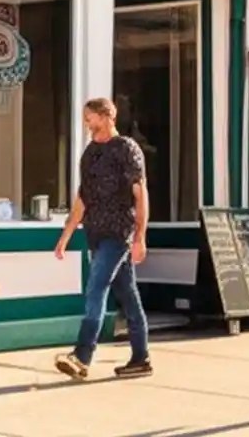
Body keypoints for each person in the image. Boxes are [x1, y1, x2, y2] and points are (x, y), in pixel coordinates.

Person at [53, 97, 152, 381]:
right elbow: (83, 198)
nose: (87, 124)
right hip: (95, 235)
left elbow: (140, 194)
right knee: (128, 296)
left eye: (90, 118)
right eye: (85, 120)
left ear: (108, 116)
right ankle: (140, 358)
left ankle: (82, 356)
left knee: (96, 287)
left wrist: (140, 236)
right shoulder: (90, 154)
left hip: (118, 233)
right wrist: (66, 234)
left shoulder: (127, 149)